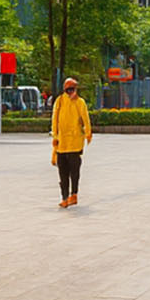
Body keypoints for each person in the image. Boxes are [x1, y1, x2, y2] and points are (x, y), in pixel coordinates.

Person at [50, 76, 91, 208]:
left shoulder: (80, 102)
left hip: (75, 142)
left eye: (72, 89)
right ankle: (64, 197)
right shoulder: (60, 101)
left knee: (74, 171)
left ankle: (74, 194)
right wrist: (54, 135)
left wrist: (88, 133)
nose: (70, 92)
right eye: (68, 89)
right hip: (61, 143)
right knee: (62, 171)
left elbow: (86, 119)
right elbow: (54, 118)